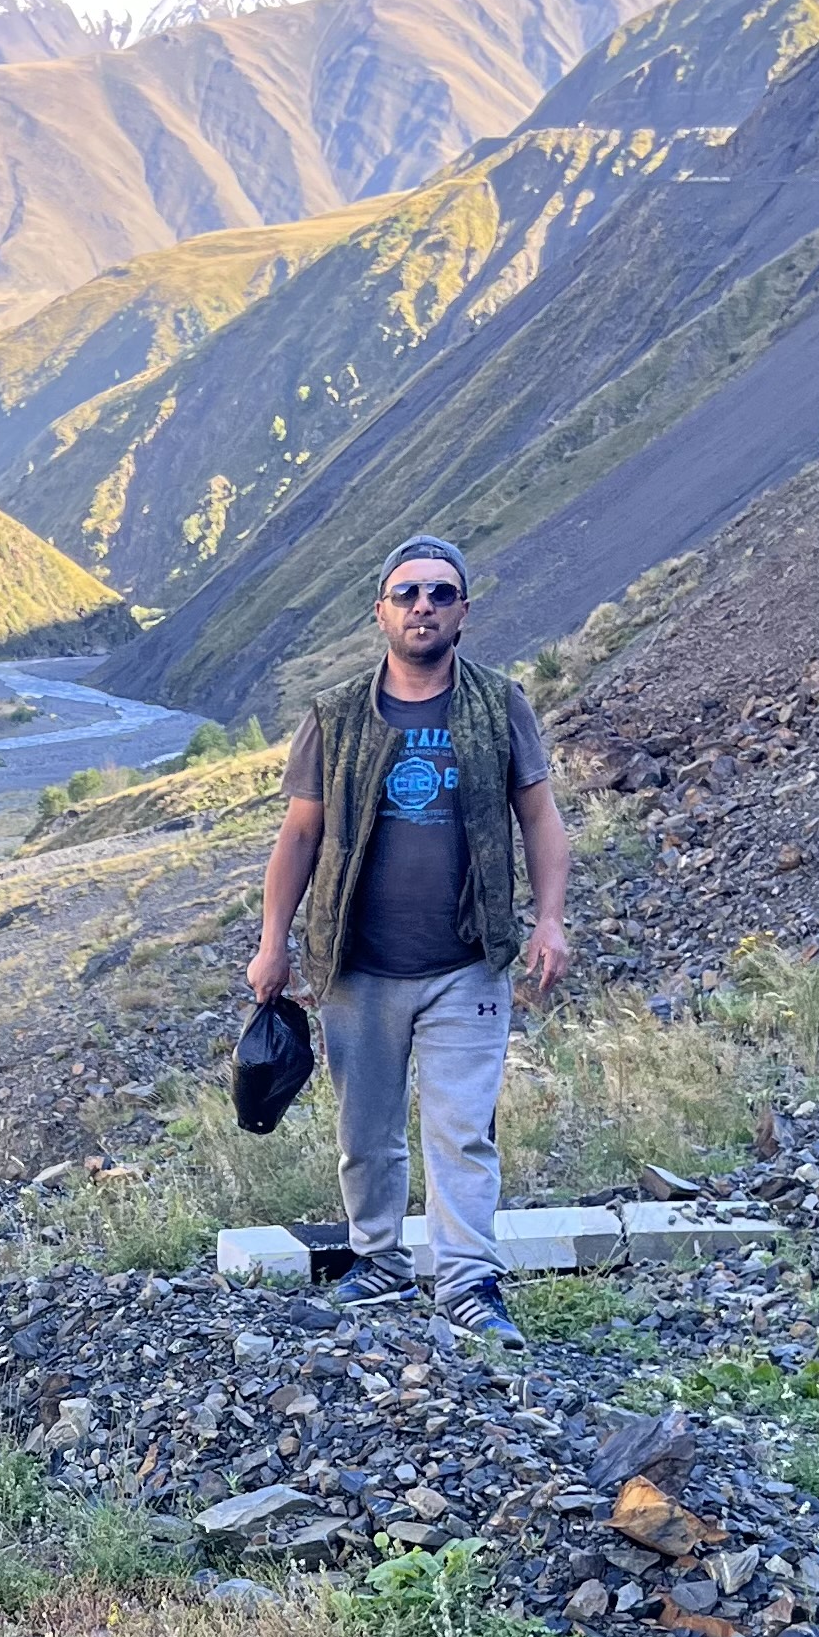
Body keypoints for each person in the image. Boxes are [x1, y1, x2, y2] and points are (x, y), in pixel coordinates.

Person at [246, 535, 570, 1347]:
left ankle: (468, 1282)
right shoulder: (337, 714)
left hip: (468, 957)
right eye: (407, 593)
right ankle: (380, 1264)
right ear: (380, 612)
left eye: (440, 592)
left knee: (462, 1127)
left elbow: (538, 815)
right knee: (367, 1128)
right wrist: (272, 942)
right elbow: (298, 838)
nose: (422, 605)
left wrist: (551, 919)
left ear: (463, 610)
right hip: (357, 963)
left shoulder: (501, 704)